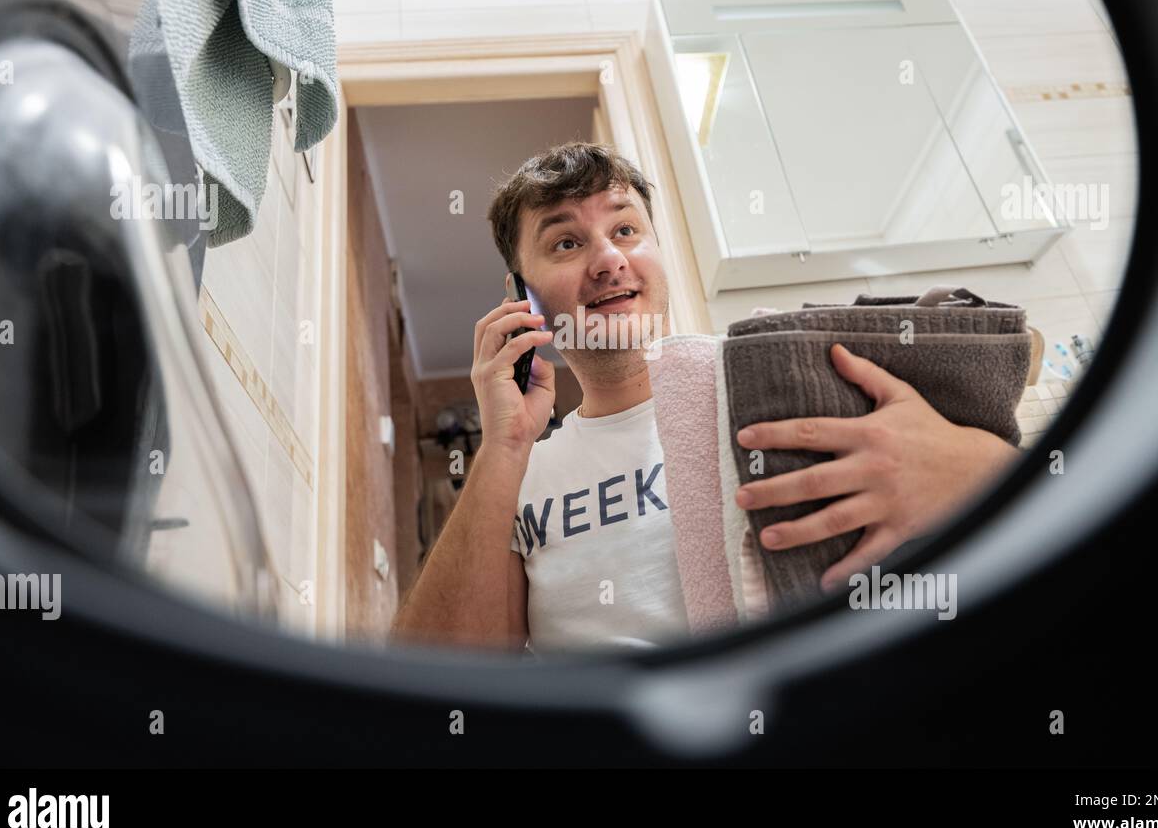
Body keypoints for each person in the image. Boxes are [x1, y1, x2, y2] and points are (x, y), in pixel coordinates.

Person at [393, 142, 1019, 654]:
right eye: (566, 242)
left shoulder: (789, 382)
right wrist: (502, 446)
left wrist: (975, 468)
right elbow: (432, 678)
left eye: (626, 229)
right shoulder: (517, 476)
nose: (610, 260)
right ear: (522, 298)